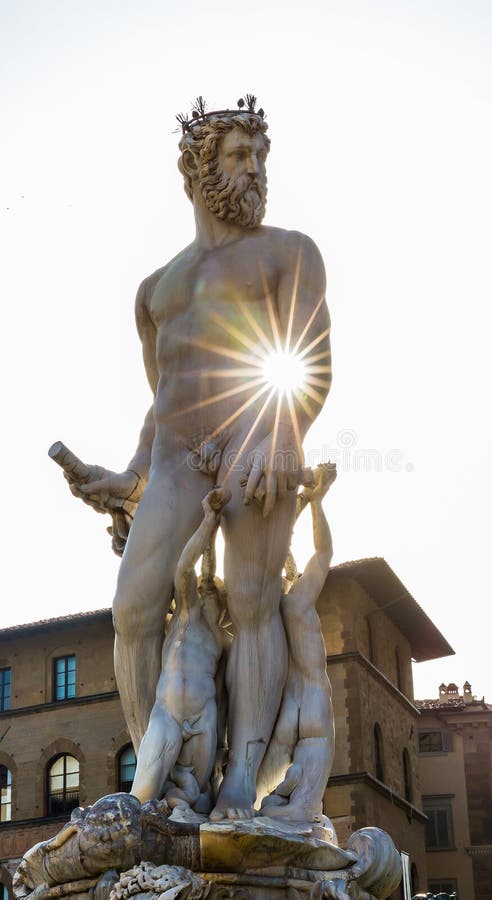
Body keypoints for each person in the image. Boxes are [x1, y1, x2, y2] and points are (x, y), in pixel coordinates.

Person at [63, 97, 331, 820]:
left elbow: (309, 362)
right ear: (197, 169)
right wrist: (127, 478)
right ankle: (169, 777)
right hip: (182, 458)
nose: (255, 169)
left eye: (259, 156)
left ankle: (242, 778)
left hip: (257, 436)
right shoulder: (156, 290)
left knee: (251, 599)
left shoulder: (291, 252)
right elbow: (164, 403)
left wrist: (280, 431)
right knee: (133, 609)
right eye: (239, 155)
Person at [130, 486, 230, 818]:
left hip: (204, 718)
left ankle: (177, 817)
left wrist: (222, 743)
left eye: (212, 589)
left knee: (196, 794)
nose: (206, 591)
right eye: (205, 589)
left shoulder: (222, 639)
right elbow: (188, 569)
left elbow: (225, 691)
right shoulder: (186, 615)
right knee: (145, 786)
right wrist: (209, 522)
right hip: (168, 713)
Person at [258, 463, 336, 823]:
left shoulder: (262, 617)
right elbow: (322, 555)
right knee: (292, 808)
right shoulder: (295, 605)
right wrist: (316, 501)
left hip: (291, 710)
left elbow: (315, 555)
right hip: (309, 703)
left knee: (271, 806)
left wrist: (312, 501)